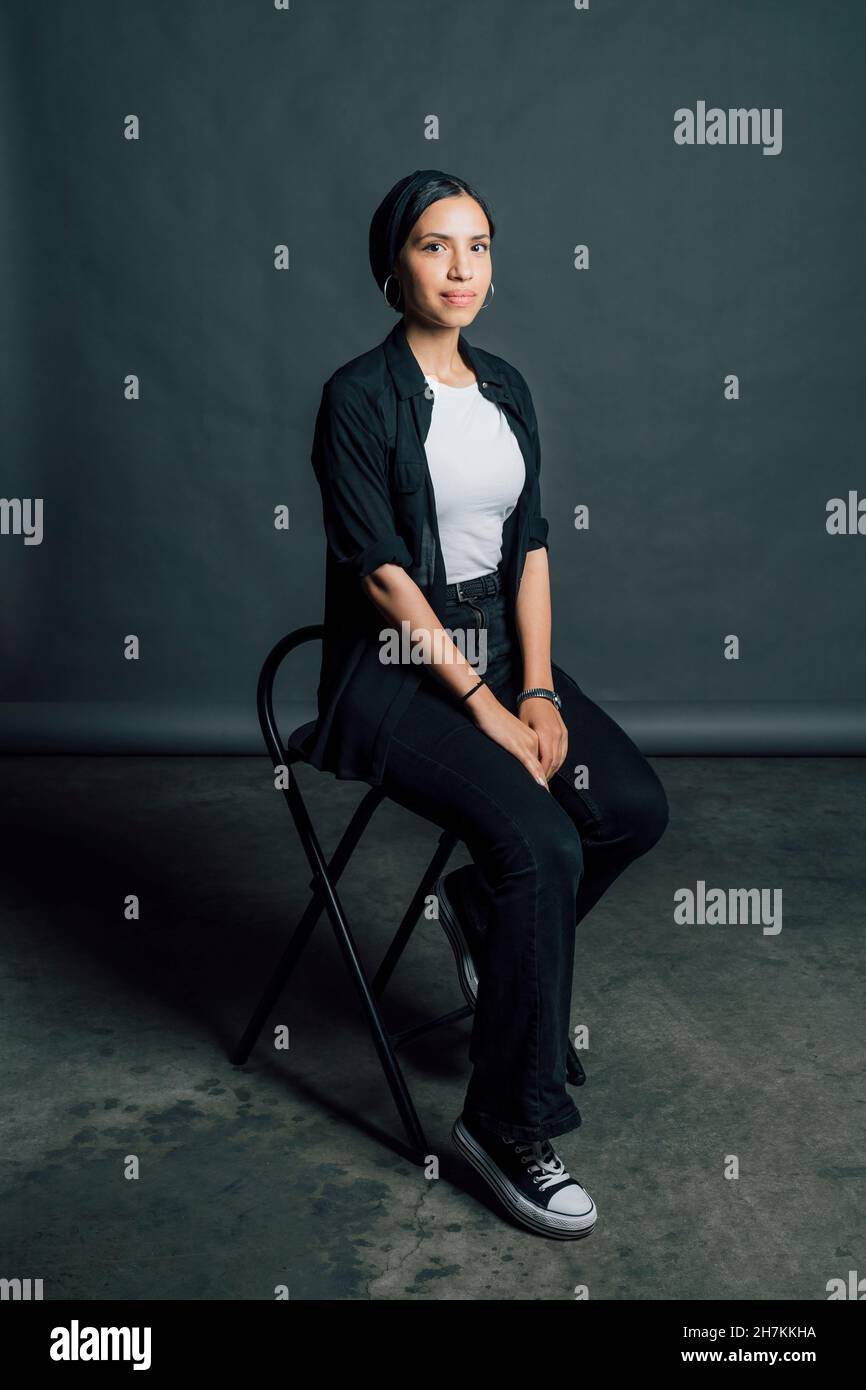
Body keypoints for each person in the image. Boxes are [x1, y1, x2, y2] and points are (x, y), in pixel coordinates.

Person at [305, 168, 670, 1239]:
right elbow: (380, 575)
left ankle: (475, 917)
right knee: (540, 846)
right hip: (390, 668)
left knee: (629, 809)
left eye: (477, 246)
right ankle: (504, 1124)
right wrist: (487, 712)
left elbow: (531, 547)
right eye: (433, 245)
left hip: (502, 653)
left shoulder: (505, 386)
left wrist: (539, 686)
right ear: (391, 265)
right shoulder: (356, 397)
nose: (461, 267)